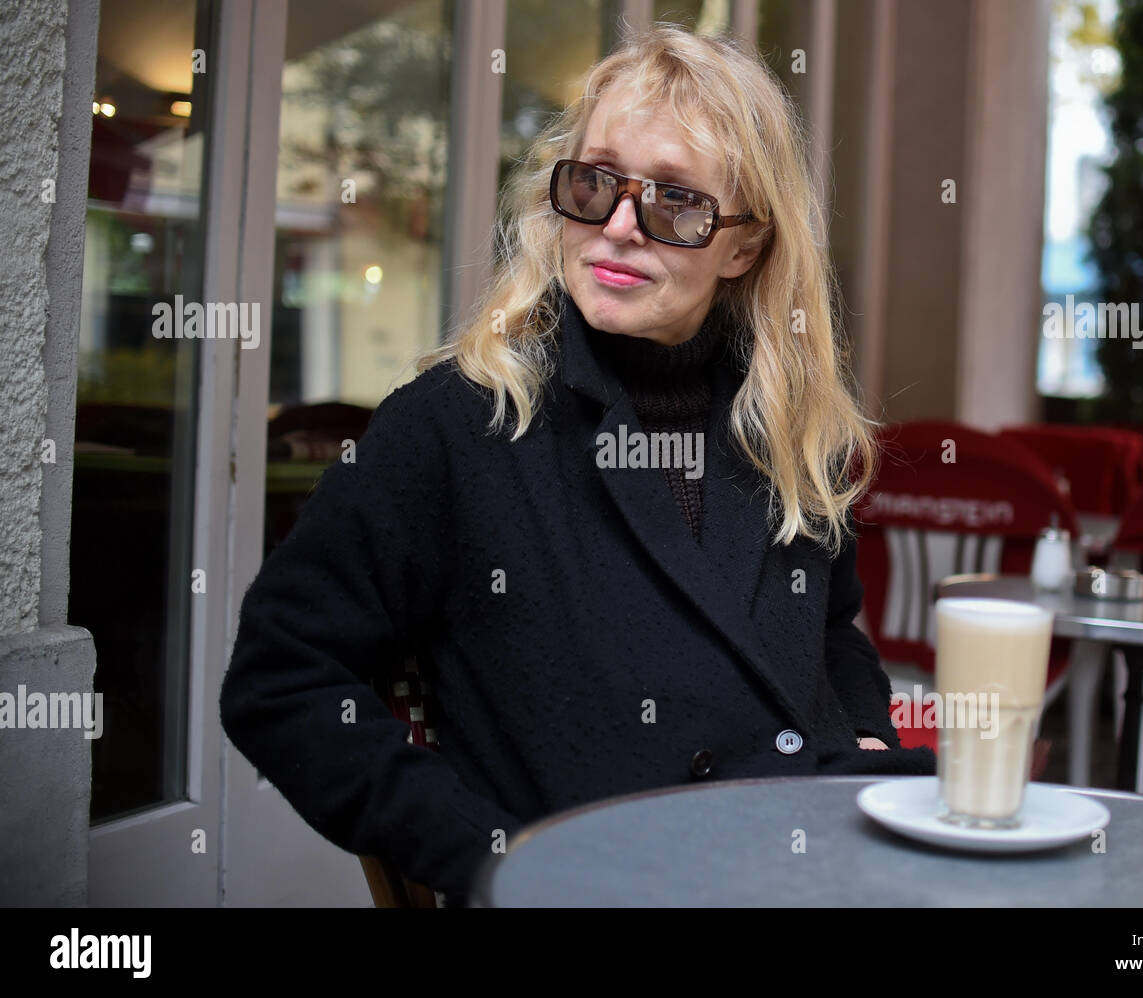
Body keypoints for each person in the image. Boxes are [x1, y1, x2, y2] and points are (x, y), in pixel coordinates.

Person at [219, 24, 935, 908]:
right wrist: (495, 855)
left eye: (676, 202)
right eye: (594, 183)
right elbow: (279, 680)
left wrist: (866, 732)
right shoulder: (455, 426)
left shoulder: (789, 423)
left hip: (819, 862)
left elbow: (829, 632)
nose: (621, 226)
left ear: (745, 247)